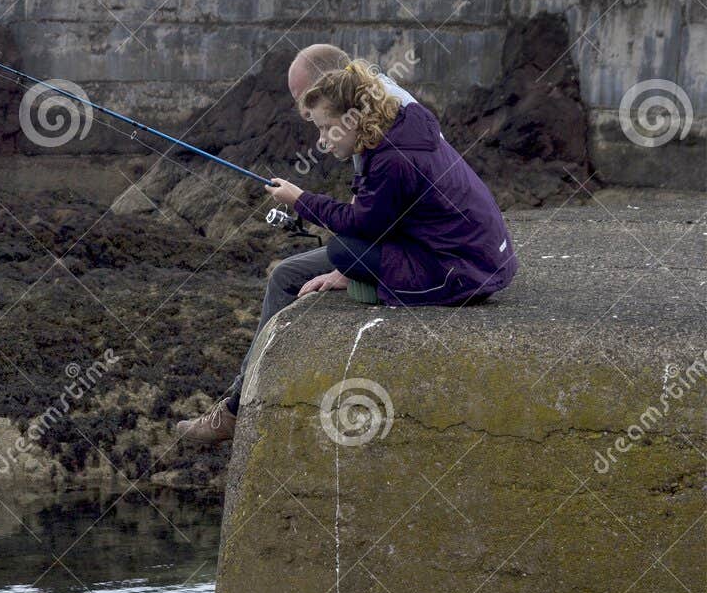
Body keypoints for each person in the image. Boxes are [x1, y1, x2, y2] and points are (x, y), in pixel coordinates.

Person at [176, 59, 517, 445]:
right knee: (289, 274)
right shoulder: (399, 121)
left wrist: (300, 200)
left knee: (342, 251)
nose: (322, 140)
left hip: (460, 270)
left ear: (352, 120)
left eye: (325, 128)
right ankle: (235, 408)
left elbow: (362, 224)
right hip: (459, 251)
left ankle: (237, 411)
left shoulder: (392, 156)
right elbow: (382, 217)